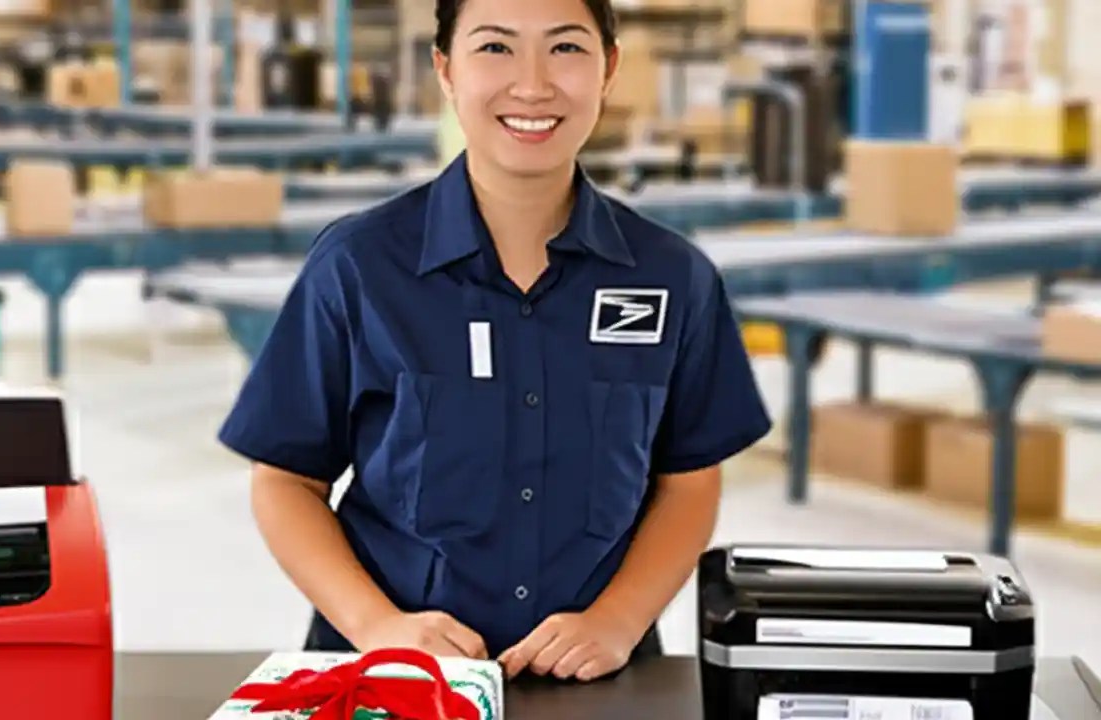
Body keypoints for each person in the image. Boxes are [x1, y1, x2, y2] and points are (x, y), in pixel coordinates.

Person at [218, 0, 772, 683]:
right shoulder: (360, 265)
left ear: (610, 70)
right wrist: (378, 627)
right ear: (445, 70)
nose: (533, 84)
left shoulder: (673, 278)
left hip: (594, 681)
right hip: (393, 679)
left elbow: (688, 482)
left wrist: (619, 620)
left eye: (566, 49)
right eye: (496, 48)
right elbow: (285, 480)